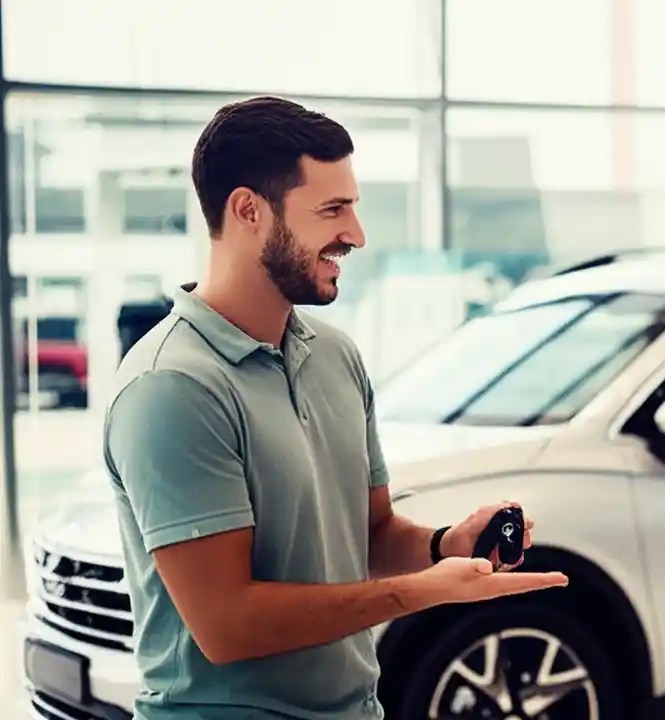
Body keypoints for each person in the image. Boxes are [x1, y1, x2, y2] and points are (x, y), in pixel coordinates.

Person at [103, 96, 568, 719]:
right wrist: (419, 594)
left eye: (353, 207)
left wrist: (445, 545)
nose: (355, 234)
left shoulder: (335, 355)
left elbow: (369, 534)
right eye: (332, 210)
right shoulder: (172, 387)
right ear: (248, 211)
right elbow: (227, 625)